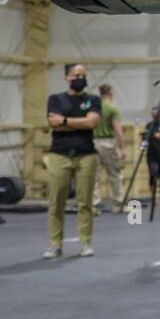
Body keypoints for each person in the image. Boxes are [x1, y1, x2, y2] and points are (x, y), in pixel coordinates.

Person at [45, 63, 101, 258]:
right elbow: (53, 124)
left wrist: (65, 121)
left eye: (83, 75)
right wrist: (79, 123)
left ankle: (86, 242)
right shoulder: (55, 99)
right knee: (56, 202)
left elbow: (92, 122)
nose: (80, 78)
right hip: (59, 154)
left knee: (85, 202)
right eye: (76, 75)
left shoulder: (93, 100)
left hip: (86, 155)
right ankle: (55, 244)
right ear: (67, 77)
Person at [91, 84, 126, 214]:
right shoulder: (112, 108)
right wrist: (122, 148)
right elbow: (118, 129)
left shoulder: (94, 108)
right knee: (115, 174)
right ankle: (118, 203)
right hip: (108, 143)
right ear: (111, 93)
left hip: (94, 142)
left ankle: (93, 205)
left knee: (94, 176)